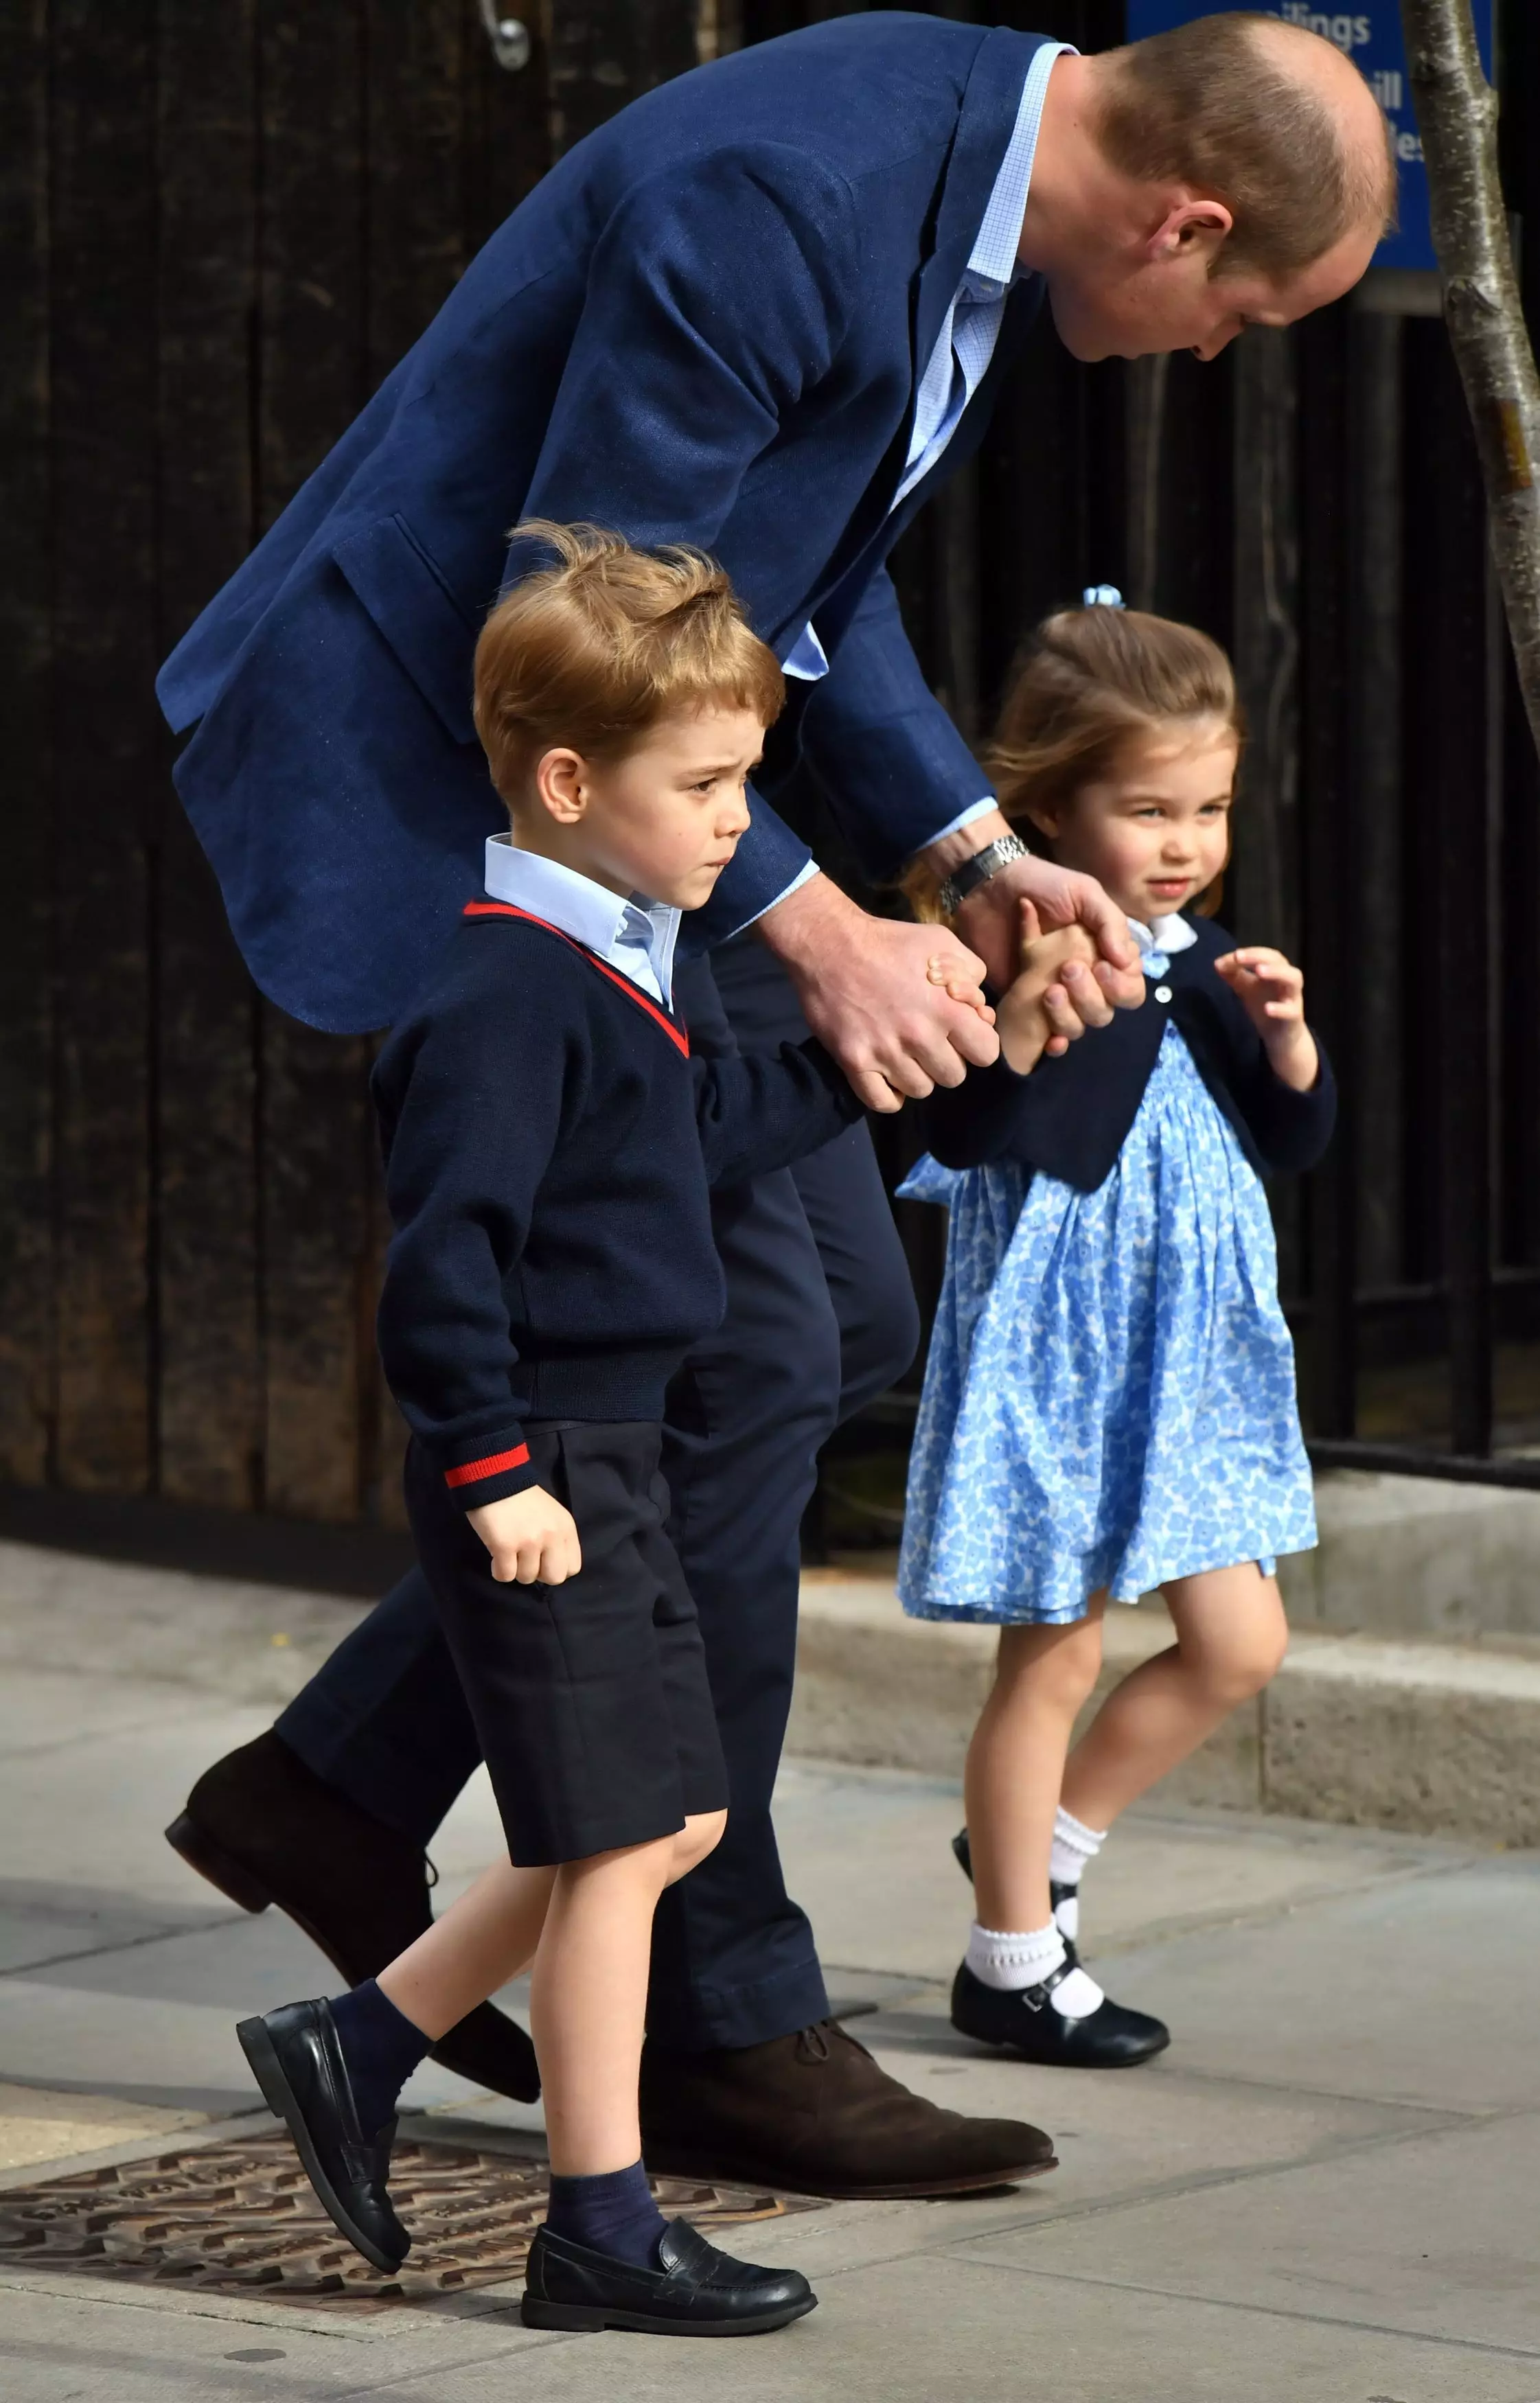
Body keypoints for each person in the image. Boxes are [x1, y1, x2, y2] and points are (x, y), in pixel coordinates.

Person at [160, 12, 1392, 2194]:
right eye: (1239, 315)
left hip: (661, 806)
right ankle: (721, 2014)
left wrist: (973, 855)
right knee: (731, 1339)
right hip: (495, 784)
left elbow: (813, 578)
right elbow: (608, 606)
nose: (1210, 356)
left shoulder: (955, 177)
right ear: (1188, 220)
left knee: (841, 1324)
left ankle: (345, 1783)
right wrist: (827, 923)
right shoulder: (793, 202)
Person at [240, 525, 930, 2332]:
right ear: (565, 780)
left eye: (745, 779)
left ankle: (359, 2033)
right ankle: (597, 2226)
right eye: (701, 782)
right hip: (547, 1467)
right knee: (624, 1845)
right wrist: (492, 1473)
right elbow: (440, 1266)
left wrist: (956, 1041)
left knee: (672, 1817)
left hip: (618, 1457)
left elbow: (689, 1141)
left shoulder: (624, 965)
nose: (734, 819)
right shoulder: (501, 995)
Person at [897, 596, 1335, 2069]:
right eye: (1144, 808)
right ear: (1045, 807)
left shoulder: (1202, 958)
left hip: (1188, 1353)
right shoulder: (1013, 945)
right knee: (1057, 1651)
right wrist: (1019, 1018)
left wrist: (1283, 1041)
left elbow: (1285, 1140)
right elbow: (950, 1130)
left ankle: (1036, 1845)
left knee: (1237, 1640)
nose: (1182, 841)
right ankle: (1009, 1959)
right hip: (1060, 1344)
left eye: (1204, 807)